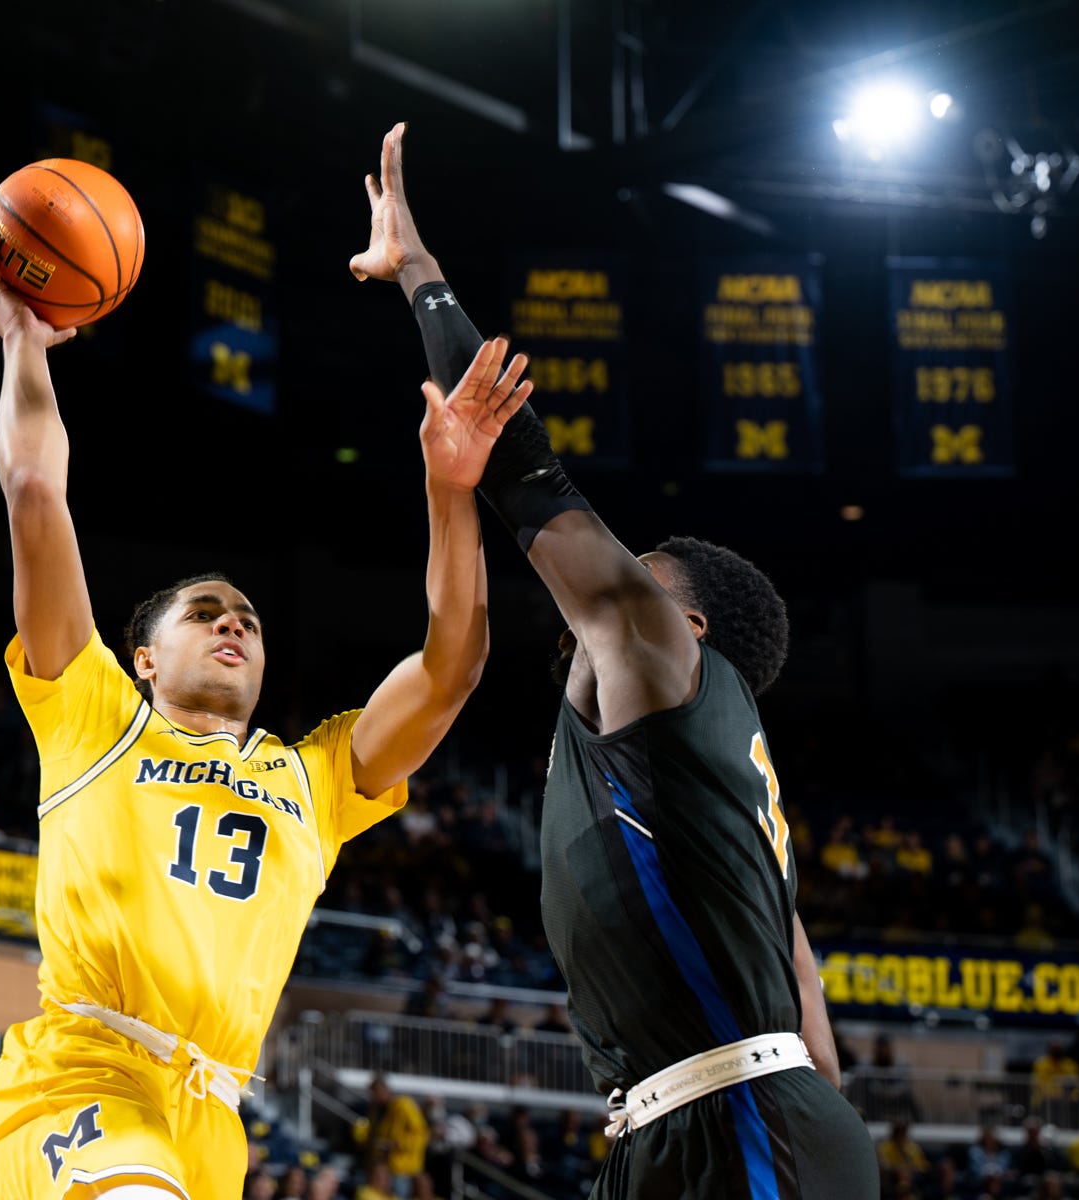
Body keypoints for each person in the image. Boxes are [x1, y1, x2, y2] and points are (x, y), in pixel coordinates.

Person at [349, 121, 877, 1196]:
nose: (611, 596)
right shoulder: (705, 783)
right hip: (706, 1123)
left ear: (686, 631)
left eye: (643, 579)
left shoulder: (670, 674)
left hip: (734, 1119)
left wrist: (422, 277)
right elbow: (814, 1037)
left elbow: (533, 480)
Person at [0, 210, 503, 1200]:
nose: (234, 625)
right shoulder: (94, 715)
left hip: (216, 1121)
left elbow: (451, 668)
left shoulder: (315, 775)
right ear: (142, 661)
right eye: (205, 613)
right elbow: (36, 491)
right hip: (84, 1078)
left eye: (248, 618)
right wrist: (23, 349)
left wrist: (451, 490)